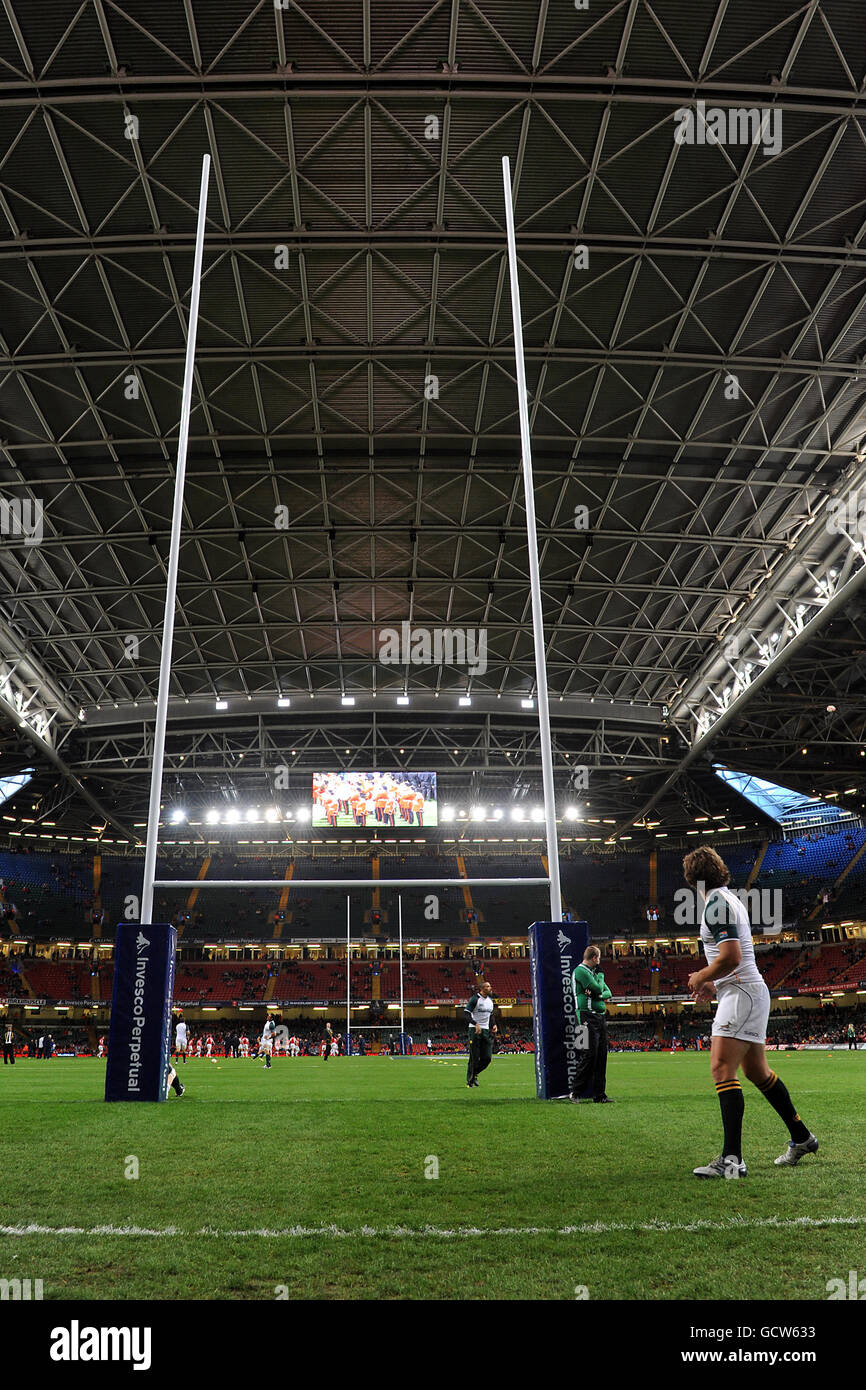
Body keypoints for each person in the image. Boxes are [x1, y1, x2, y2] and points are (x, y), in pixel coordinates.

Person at [683, 845, 818, 1179]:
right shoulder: (729, 900)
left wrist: (701, 976)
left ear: (694, 881)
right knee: (758, 1072)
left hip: (742, 993)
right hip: (745, 989)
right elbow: (735, 956)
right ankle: (802, 1138)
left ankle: (732, 1160)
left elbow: (730, 956)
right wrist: (715, 984)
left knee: (721, 1067)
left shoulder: (715, 904)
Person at [570, 946, 613, 1103]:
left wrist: (598, 994)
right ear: (594, 958)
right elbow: (597, 987)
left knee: (601, 1055)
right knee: (589, 1054)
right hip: (585, 1016)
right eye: (599, 958)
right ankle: (575, 1091)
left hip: (599, 1017)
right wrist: (600, 979)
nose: (599, 961)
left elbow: (607, 992)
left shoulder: (592, 973)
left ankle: (599, 1094)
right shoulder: (581, 971)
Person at [464, 980, 497, 1088]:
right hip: (474, 1030)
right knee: (474, 1057)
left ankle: (475, 1074)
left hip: (486, 1030)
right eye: (487, 986)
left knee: (487, 1057)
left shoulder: (490, 1001)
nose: (490, 988)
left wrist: (494, 1025)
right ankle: (470, 1080)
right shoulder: (475, 999)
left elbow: (490, 1015)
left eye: (490, 986)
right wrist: (475, 1024)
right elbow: (466, 1014)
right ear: (482, 989)